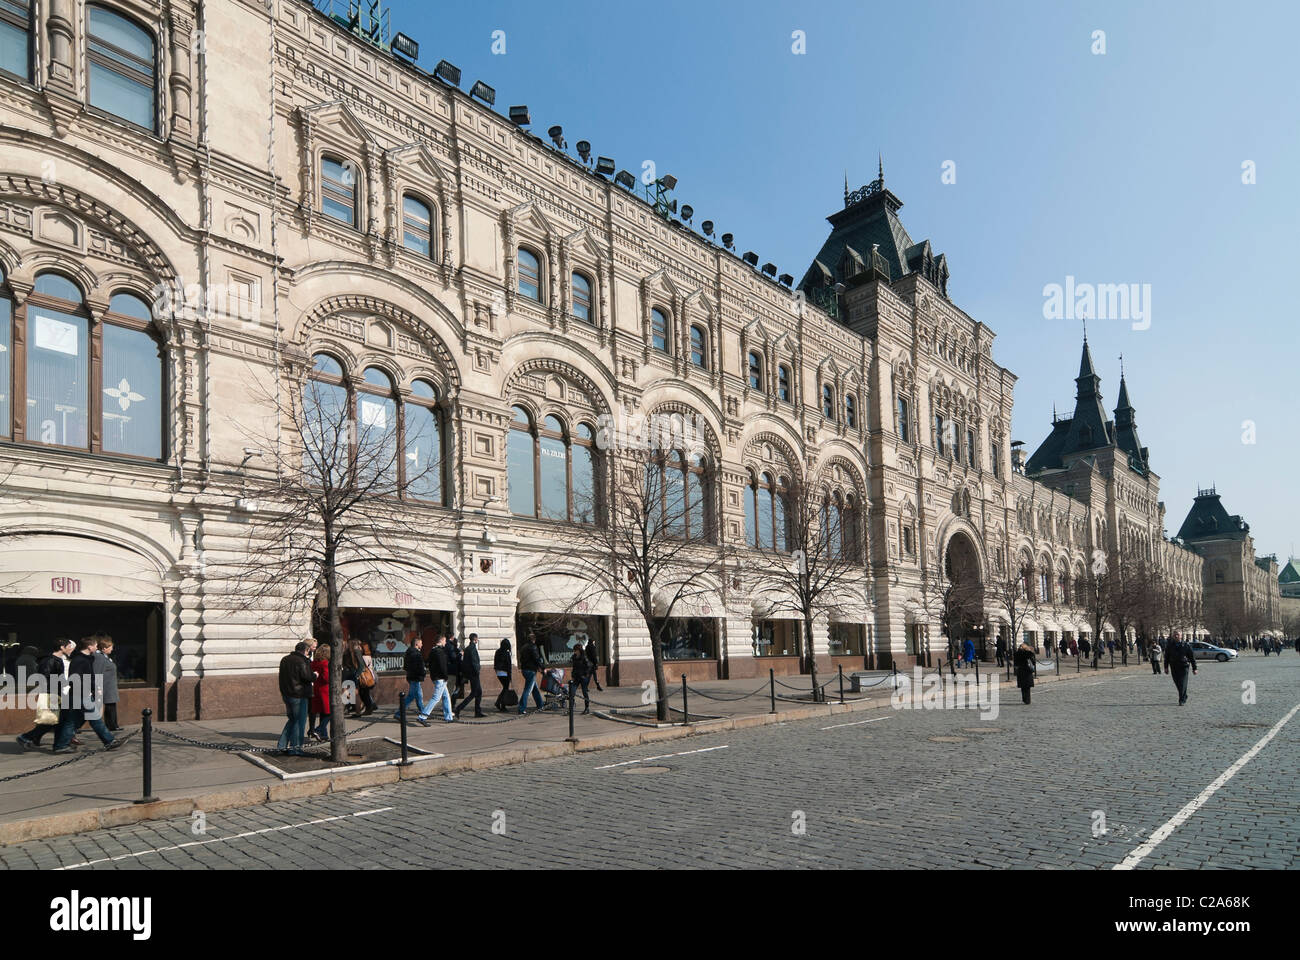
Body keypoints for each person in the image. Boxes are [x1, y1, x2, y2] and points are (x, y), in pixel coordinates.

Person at [52, 637, 120, 754]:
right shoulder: (80, 660)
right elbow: (76, 678)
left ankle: (60, 745)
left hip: (82, 693)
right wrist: (89, 689)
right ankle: (109, 741)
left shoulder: (86, 659)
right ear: (89, 647)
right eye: (95, 645)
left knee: (72, 721)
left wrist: (93, 688)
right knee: (95, 719)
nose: (96, 647)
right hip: (81, 693)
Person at [16, 639, 74, 751]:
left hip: (56, 693)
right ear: (62, 647)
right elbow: (44, 678)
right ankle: (26, 737)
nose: (70, 649)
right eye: (69, 646)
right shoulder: (49, 661)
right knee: (50, 721)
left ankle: (59, 745)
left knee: (59, 720)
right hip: (51, 694)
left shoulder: (57, 660)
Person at [277, 641, 314, 755]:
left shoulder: (285, 659)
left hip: (287, 694)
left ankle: (281, 746)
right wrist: (315, 675)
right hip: (299, 695)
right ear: (305, 650)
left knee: (292, 720)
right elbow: (307, 676)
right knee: (299, 722)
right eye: (308, 651)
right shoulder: (301, 660)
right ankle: (295, 748)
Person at [418, 635, 455, 724]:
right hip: (441, 678)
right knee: (436, 698)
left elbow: (429, 664)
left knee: (446, 696)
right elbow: (443, 666)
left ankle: (449, 717)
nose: (445, 643)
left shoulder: (432, 651)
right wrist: (445, 676)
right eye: (445, 641)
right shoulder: (440, 651)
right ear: (441, 640)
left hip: (436, 677)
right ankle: (423, 716)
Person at [93, 635, 121, 731]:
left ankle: (113, 725)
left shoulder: (105, 657)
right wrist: (98, 687)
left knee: (111, 706)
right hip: (105, 686)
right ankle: (111, 725)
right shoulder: (99, 658)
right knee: (109, 707)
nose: (112, 649)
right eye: (110, 647)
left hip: (109, 686)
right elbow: (97, 672)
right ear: (104, 648)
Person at [454, 633, 485, 718]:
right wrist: (477, 670)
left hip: (471, 673)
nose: (477, 640)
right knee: (474, 693)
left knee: (479, 692)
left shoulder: (468, 648)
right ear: (475, 639)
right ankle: (458, 709)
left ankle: (478, 711)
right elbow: (474, 662)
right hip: (474, 674)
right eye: (477, 639)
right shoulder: (472, 649)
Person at [397, 638, 427, 721]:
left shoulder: (409, 652)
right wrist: (423, 673)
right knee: (411, 696)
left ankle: (423, 713)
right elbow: (418, 667)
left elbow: (406, 667)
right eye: (421, 643)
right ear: (416, 644)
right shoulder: (415, 653)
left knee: (419, 696)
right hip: (415, 678)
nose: (422, 645)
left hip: (412, 677)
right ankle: (399, 713)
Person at [1165, 630, 1198, 706]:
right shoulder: (1169, 646)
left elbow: (1192, 657)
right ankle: (1184, 695)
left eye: (1178, 635)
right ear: (1173, 636)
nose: (1176, 636)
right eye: (1175, 635)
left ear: (1181, 636)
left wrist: (1194, 668)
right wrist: (1166, 667)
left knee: (1182, 683)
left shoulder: (1186, 645)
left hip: (1184, 666)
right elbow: (1166, 657)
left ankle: (1181, 700)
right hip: (1174, 666)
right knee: (1178, 684)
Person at [345, 639, 376, 716]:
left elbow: (361, 665)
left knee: (361, 693)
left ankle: (365, 709)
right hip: (355, 675)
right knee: (361, 693)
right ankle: (366, 708)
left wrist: (357, 675)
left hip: (358, 675)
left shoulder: (355, 651)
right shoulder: (351, 652)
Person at [518, 634, 545, 714]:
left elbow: (521, 659)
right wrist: (542, 668)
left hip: (524, 670)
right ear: (534, 640)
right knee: (528, 689)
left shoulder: (523, 647)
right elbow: (536, 658)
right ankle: (521, 708)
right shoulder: (533, 647)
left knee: (534, 688)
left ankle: (540, 705)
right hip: (531, 670)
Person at [309, 645, 332, 742]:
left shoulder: (314, 662)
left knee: (323, 712)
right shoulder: (325, 663)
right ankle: (318, 730)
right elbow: (327, 678)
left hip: (317, 688)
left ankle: (324, 734)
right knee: (330, 712)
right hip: (325, 689)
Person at [570, 641, 591, 714]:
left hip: (583, 678)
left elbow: (588, 667)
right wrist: (572, 676)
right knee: (571, 693)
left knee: (584, 692)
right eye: (574, 650)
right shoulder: (574, 657)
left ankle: (587, 708)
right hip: (576, 677)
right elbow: (574, 668)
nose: (574, 652)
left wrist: (585, 675)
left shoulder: (584, 657)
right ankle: (571, 709)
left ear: (579, 650)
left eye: (575, 650)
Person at [1013, 640, 1036, 705]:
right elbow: (1032, 657)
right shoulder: (1026, 653)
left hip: (1020, 671)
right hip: (1027, 671)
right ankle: (1027, 700)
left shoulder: (1017, 653)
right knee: (1027, 687)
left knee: (1023, 687)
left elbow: (1016, 662)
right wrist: (1028, 650)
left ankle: (1024, 698)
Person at [493, 639, 513, 712]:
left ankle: (499, 702)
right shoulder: (506, 653)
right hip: (505, 672)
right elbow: (508, 665)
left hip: (498, 672)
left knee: (504, 688)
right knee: (505, 689)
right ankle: (501, 704)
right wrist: (510, 675)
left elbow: (495, 661)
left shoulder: (498, 651)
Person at [446, 632, 465, 702]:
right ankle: (449, 705)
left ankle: (448, 705)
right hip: (452, 669)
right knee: (451, 688)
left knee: (450, 688)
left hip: (448, 669)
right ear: (452, 637)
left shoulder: (446, 645)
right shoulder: (450, 646)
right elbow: (454, 658)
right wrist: (460, 654)